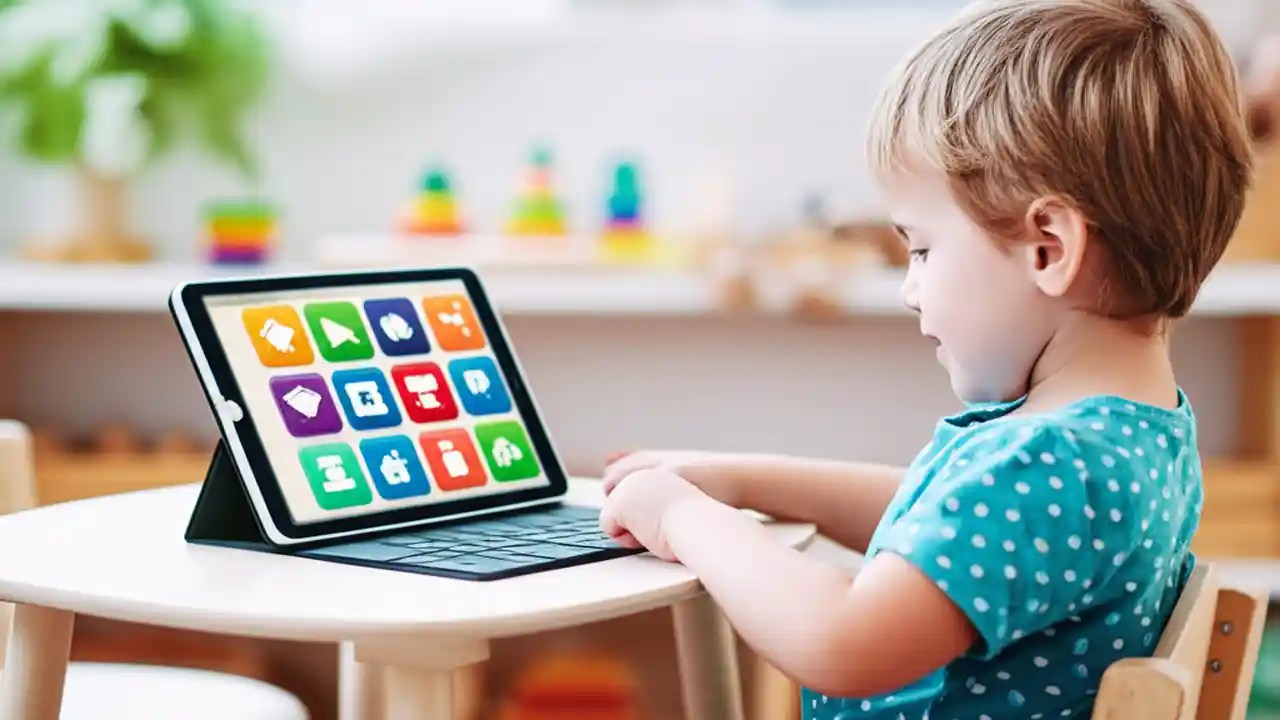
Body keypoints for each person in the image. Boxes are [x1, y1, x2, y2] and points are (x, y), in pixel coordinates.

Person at [598, 1, 1253, 717]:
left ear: (1049, 249)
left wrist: (683, 520)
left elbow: (843, 642)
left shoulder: (1050, 463)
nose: (911, 290)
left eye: (922, 248)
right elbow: (939, 514)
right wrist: (739, 479)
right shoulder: (1131, 432)